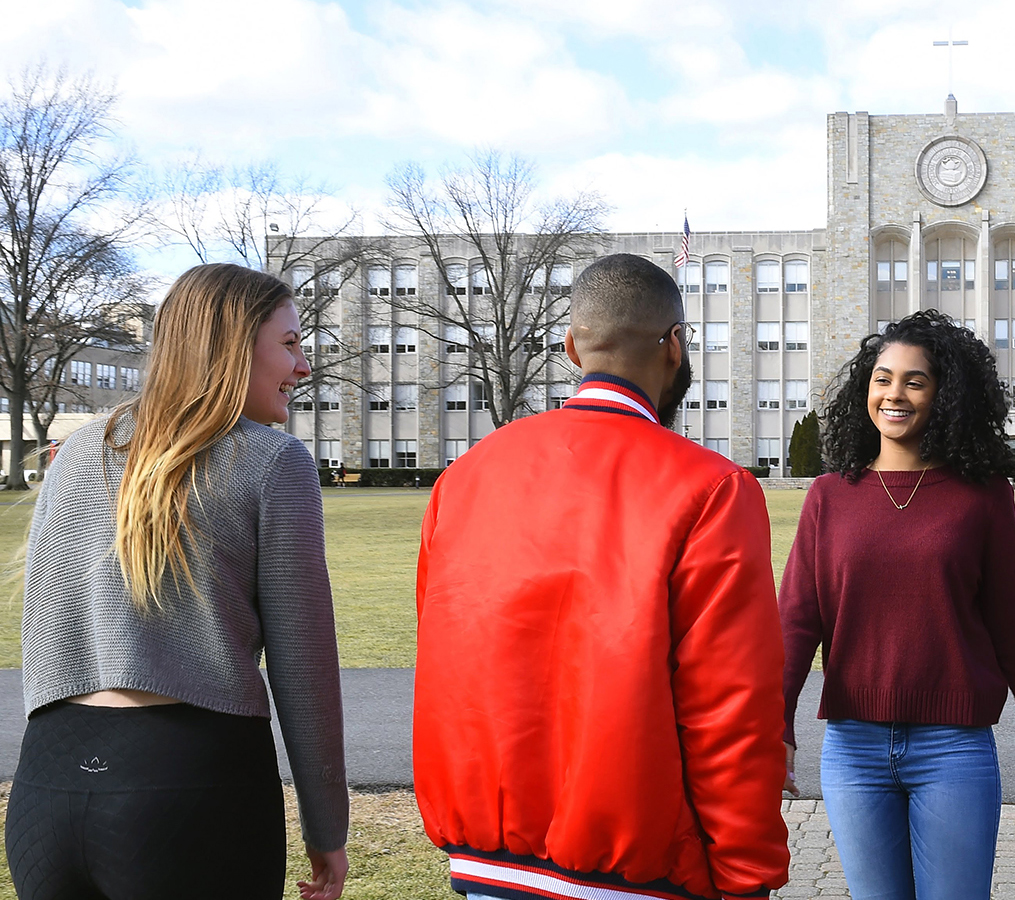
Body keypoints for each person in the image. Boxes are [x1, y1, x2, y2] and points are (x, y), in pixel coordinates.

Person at [412, 253, 789, 900]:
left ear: (570, 348)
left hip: (485, 857)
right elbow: (729, 705)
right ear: (676, 346)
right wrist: (747, 875)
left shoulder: (465, 475)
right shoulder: (712, 488)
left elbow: (445, 653)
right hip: (636, 869)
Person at [6, 263, 349, 900]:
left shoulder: (80, 450)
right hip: (191, 788)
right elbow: (304, 666)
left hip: (46, 791)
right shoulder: (273, 461)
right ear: (232, 347)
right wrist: (327, 826)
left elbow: (43, 626)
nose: (304, 368)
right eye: (290, 344)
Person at [780, 309, 1015, 900]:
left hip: (954, 748)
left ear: (945, 396)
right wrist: (775, 727)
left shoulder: (983, 497)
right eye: (883, 378)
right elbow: (794, 625)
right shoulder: (828, 495)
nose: (894, 394)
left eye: (914, 382)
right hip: (852, 749)